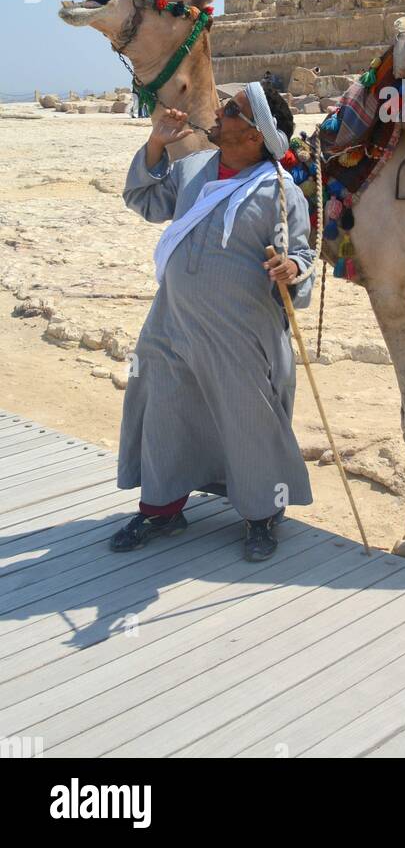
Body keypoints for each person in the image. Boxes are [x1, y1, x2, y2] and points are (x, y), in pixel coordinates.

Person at [109, 80, 315, 562]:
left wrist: (292, 268)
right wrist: (156, 143)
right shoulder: (193, 168)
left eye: (235, 110)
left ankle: (263, 516)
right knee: (166, 406)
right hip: (171, 322)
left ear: (255, 137)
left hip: (238, 333)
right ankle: (161, 509)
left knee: (249, 418)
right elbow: (145, 201)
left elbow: (302, 256)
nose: (221, 111)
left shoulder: (281, 192)